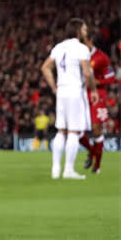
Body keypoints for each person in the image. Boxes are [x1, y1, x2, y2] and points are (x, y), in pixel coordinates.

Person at [39, 18, 98, 180]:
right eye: (84, 29)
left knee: (61, 130)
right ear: (78, 31)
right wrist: (93, 90)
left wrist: (54, 87)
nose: (86, 32)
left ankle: (55, 169)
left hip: (62, 91)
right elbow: (87, 72)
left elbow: (45, 67)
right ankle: (68, 170)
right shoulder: (81, 48)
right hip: (75, 91)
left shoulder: (59, 47)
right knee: (73, 131)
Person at [81, 30, 115, 173]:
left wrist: (97, 82)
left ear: (90, 41)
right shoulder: (78, 55)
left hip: (98, 95)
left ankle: (97, 166)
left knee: (96, 129)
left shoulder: (101, 57)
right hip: (80, 94)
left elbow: (111, 78)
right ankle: (91, 151)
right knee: (77, 129)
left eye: (83, 41)